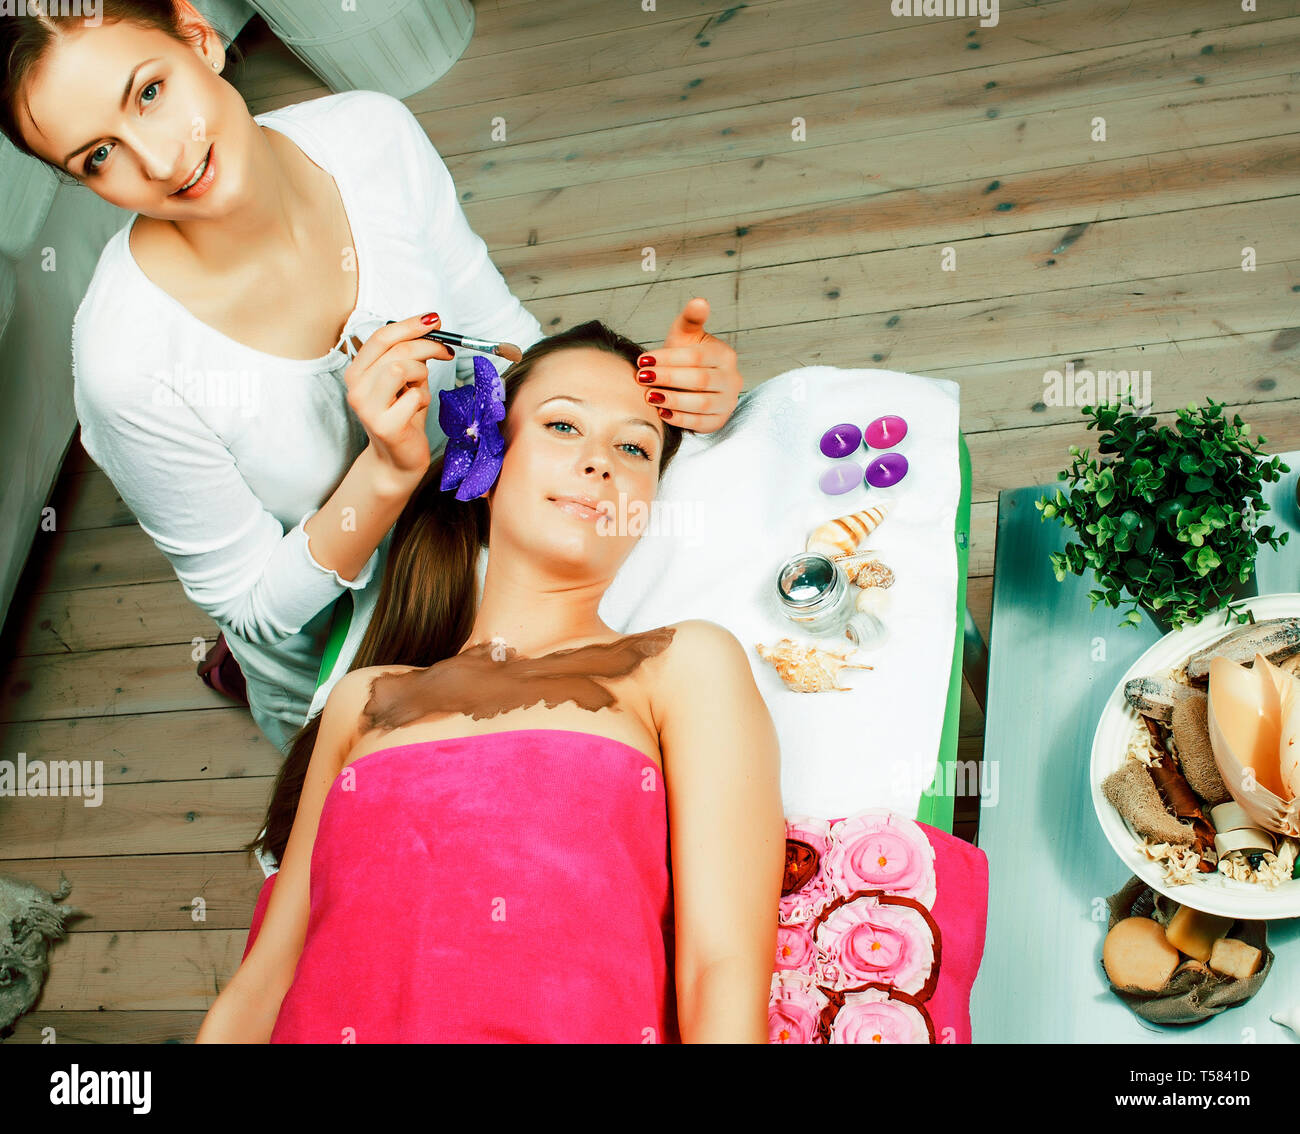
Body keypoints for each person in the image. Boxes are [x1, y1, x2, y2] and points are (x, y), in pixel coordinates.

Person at [1, 0, 746, 752]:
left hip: (485, 521)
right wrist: (386, 473)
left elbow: (510, 347)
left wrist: (658, 389)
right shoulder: (124, 367)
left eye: (151, 92)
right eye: (98, 155)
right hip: (349, 642)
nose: (160, 161)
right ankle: (241, 679)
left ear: (199, 37)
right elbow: (258, 607)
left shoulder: (372, 136)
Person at [195, 320, 785, 1043]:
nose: (600, 461)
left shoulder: (682, 665)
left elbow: (720, 969)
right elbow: (266, 981)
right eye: (563, 425)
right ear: (485, 457)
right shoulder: (366, 698)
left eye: (635, 447)